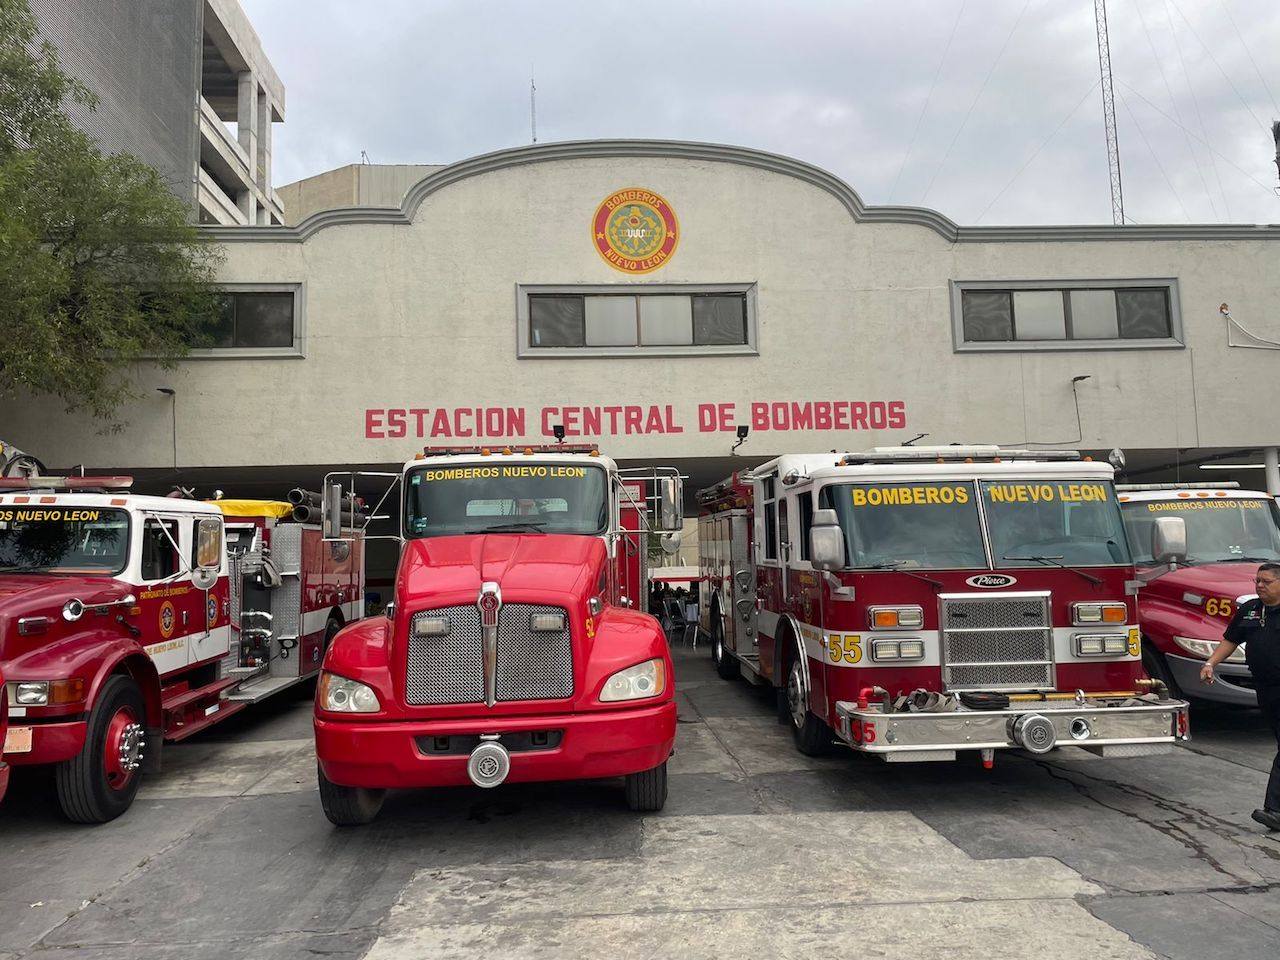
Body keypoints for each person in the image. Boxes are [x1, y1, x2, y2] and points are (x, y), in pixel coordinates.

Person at [1200, 561, 1280, 831]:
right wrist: (1211, 663)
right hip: (1266, 690)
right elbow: (1230, 640)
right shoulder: (1251, 610)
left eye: (1266, 582)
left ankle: (1275, 810)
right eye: (1257, 581)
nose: (1259, 586)